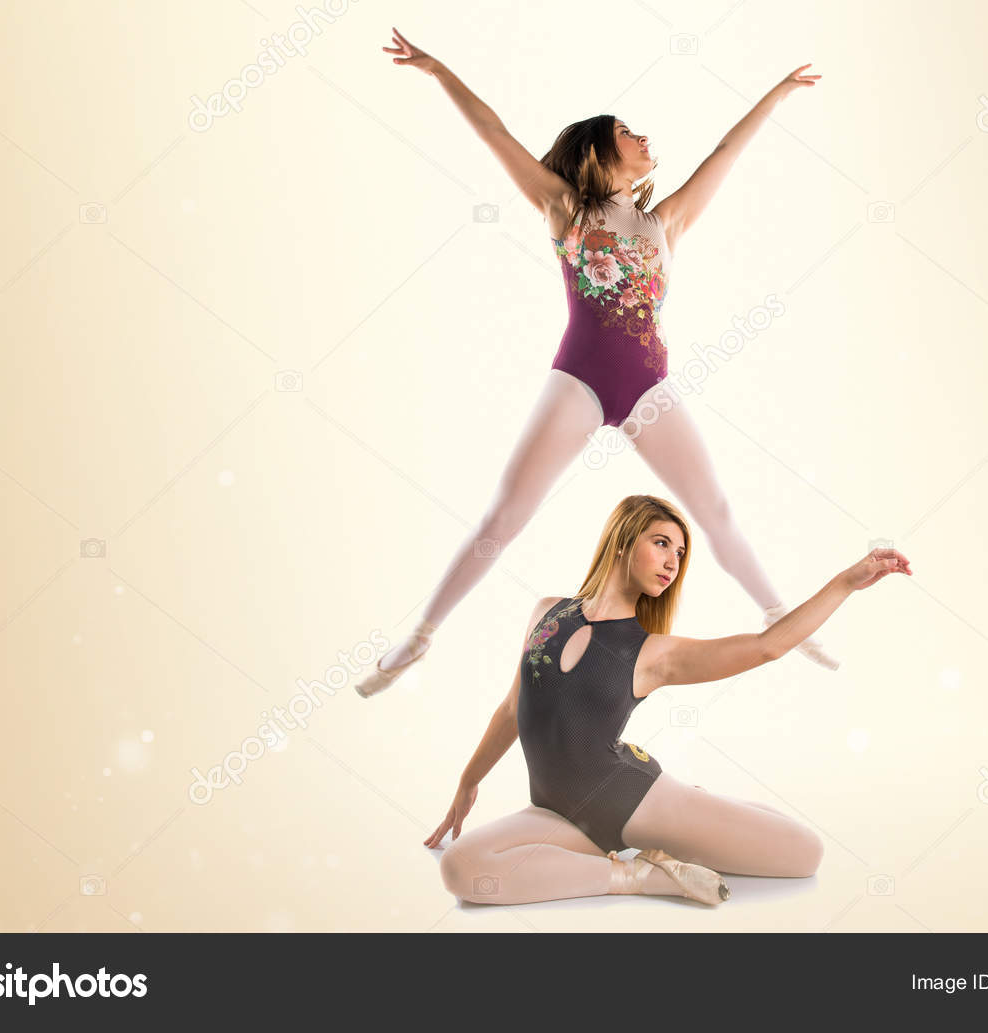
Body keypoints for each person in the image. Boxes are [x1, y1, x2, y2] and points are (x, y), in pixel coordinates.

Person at [357, 27, 836, 698]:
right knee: (505, 515)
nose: (644, 137)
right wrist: (438, 70)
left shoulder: (667, 221)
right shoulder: (566, 207)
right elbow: (494, 132)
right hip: (578, 380)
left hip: (649, 388)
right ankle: (420, 636)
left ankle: (782, 617)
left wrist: (777, 94)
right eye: (627, 131)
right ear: (597, 150)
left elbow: (726, 151)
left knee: (715, 508)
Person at [424, 494, 912, 906]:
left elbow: (768, 646)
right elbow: (513, 709)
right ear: (622, 539)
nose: (673, 562)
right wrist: (469, 781)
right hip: (560, 813)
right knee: (462, 868)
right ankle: (641, 875)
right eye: (661, 543)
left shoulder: (653, 653)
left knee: (805, 853)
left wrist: (846, 582)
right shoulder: (546, 612)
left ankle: (692, 807)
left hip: (637, 802)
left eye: (680, 553)